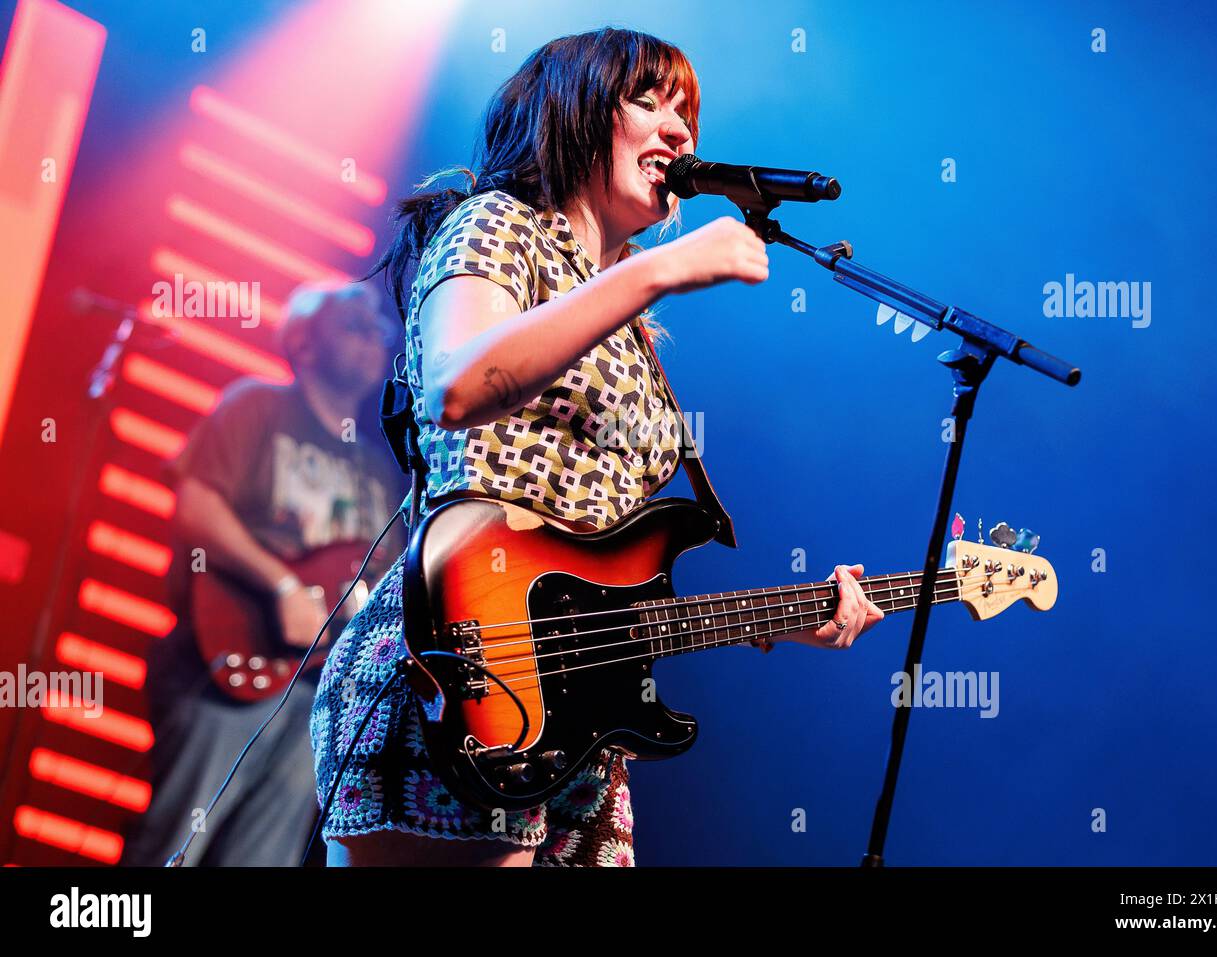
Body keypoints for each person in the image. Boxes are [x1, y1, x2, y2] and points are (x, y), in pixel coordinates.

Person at [310, 27, 885, 868]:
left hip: (576, 713)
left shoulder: (629, 322)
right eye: (649, 102)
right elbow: (460, 385)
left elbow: (598, 562)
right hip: (464, 666)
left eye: (687, 112)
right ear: (573, 113)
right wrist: (655, 270)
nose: (682, 132)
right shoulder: (498, 228)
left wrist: (785, 621)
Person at [122, 281, 403, 866]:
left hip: (320, 697)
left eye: (378, 326)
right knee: (176, 846)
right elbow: (195, 506)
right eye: (352, 323)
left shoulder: (383, 471)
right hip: (229, 667)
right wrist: (282, 586)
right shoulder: (258, 407)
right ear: (303, 341)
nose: (374, 334)